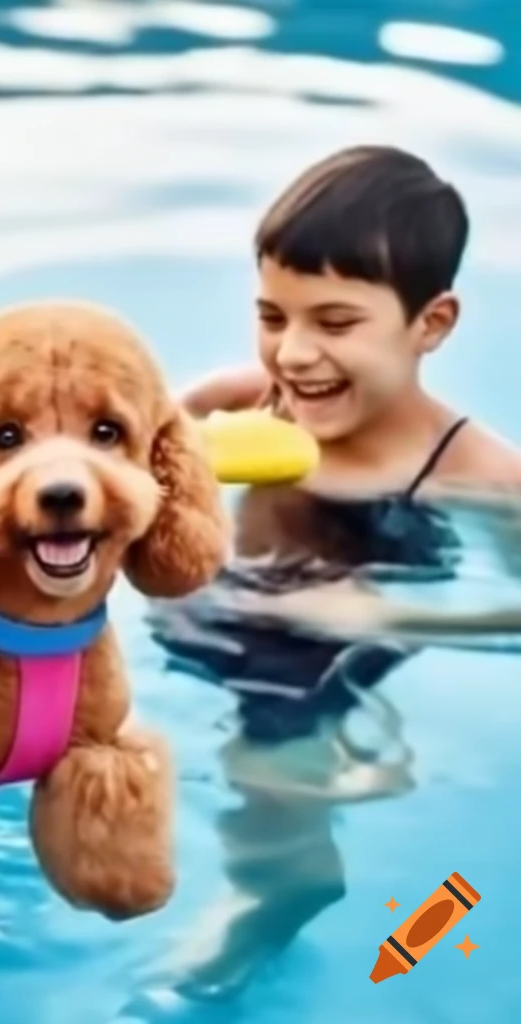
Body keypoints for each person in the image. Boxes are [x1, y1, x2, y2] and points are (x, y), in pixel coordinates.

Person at [147, 145, 521, 1001]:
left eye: (336, 322)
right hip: (226, 607)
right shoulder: (237, 402)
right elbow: (121, 456)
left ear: (432, 324)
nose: (295, 354)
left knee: (269, 769)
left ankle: (278, 893)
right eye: (272, 316)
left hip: (325, 652)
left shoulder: (473, 473)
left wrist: (382, 618)